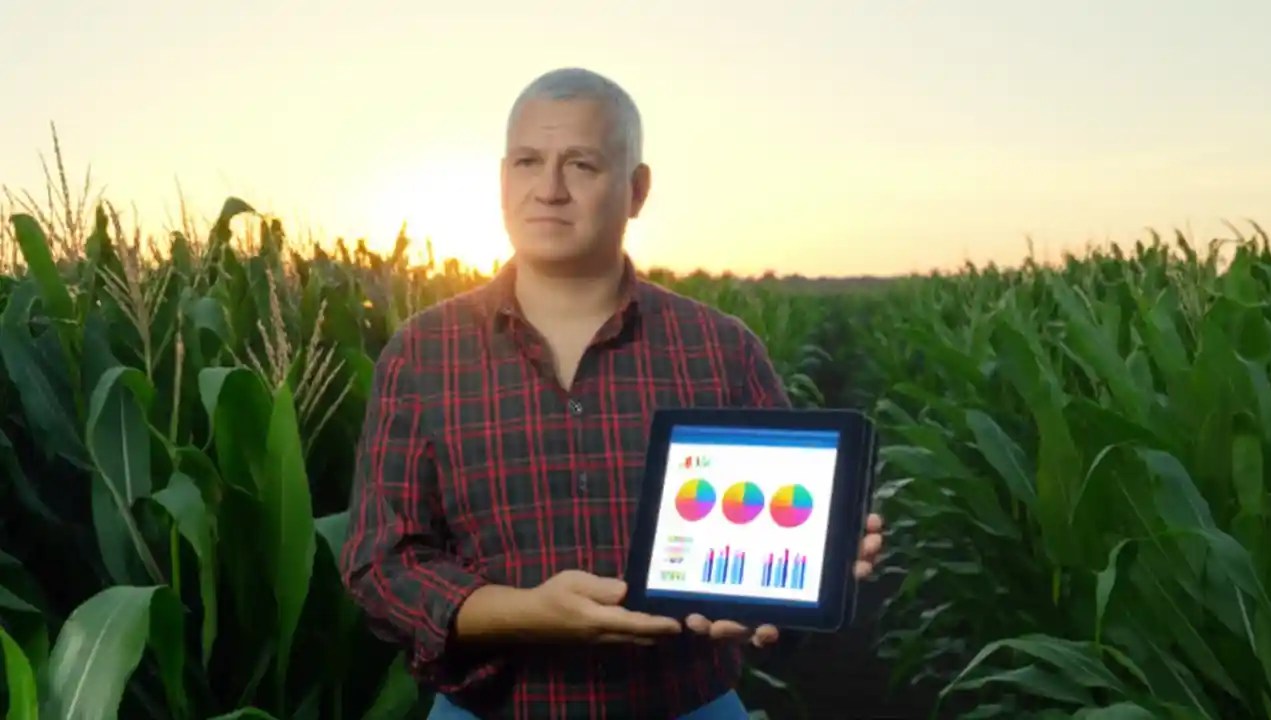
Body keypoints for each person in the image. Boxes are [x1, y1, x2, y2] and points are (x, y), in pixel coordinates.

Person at [339, 66, 885, 720]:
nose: (548, 190)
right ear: (501, 178)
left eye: (582, 165)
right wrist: (521, 614)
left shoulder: (721, 348)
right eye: (527, 162)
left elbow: (773, 554)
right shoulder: (422, 352)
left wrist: (809, 568)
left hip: (689, 705)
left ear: (637, 189)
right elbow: (381, 561)